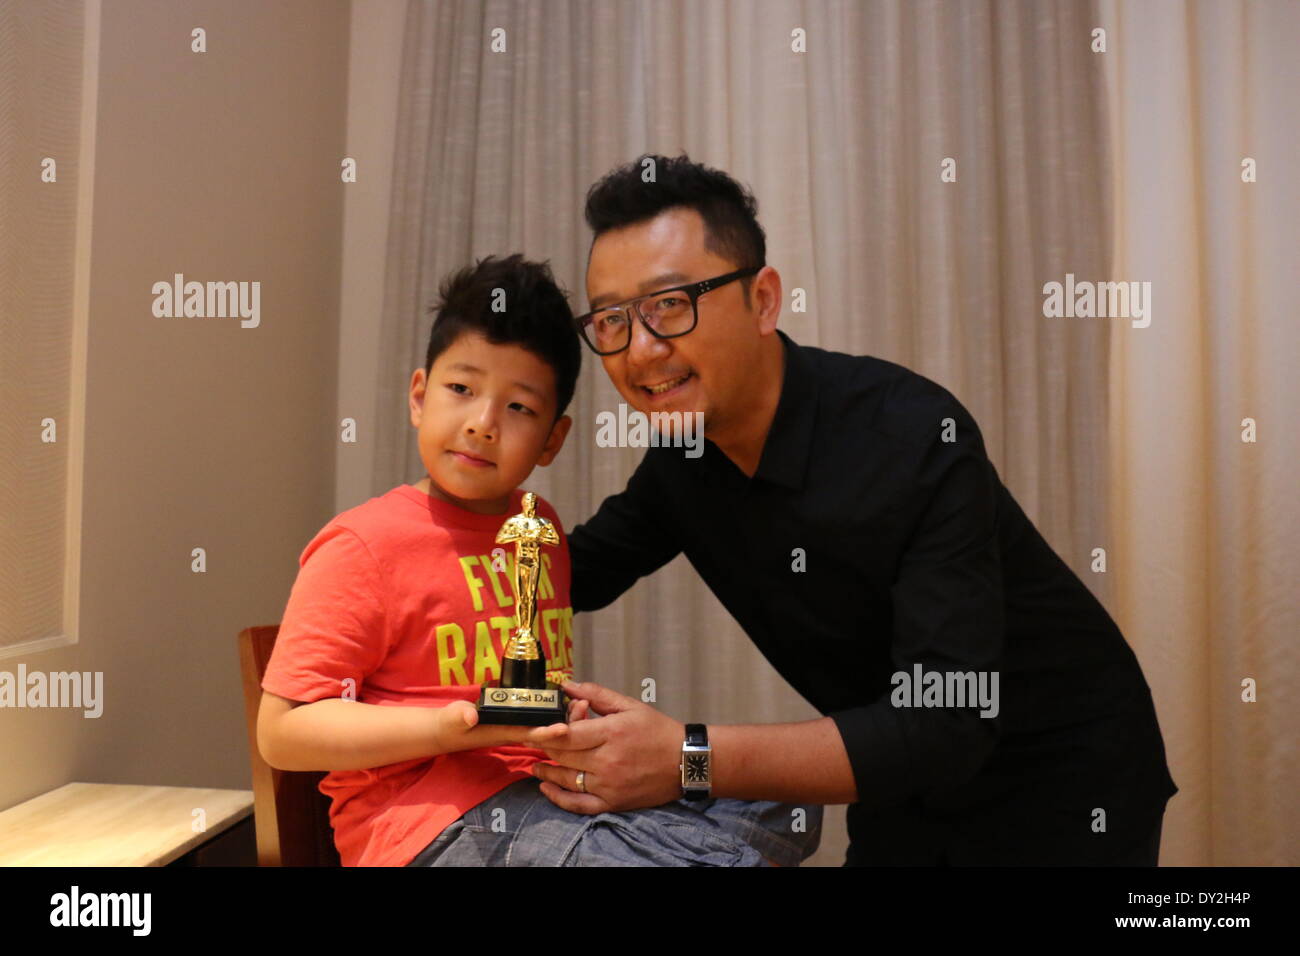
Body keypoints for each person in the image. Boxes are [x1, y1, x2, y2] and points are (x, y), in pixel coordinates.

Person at [530, 155, 1179, 866]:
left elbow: (947, 724)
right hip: (904, 786)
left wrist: (684, 757)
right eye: (612, 321)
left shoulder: (912, 435)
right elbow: (568, 574)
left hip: (1067, 778)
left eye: (671, 304)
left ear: (764, 300)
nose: (641, 350)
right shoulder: (684, 460)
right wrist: (478, 472)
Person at [256, 253, 821, 867]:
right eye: (461, 389)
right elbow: (282, 734)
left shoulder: (538, 527)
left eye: (519, 407)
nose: (483, 424)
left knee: (781, 802)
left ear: (553, 438)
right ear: (419, 396)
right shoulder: (364, 544)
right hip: (431, 826)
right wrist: (445, 729)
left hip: (548, 789)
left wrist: (572, 721)